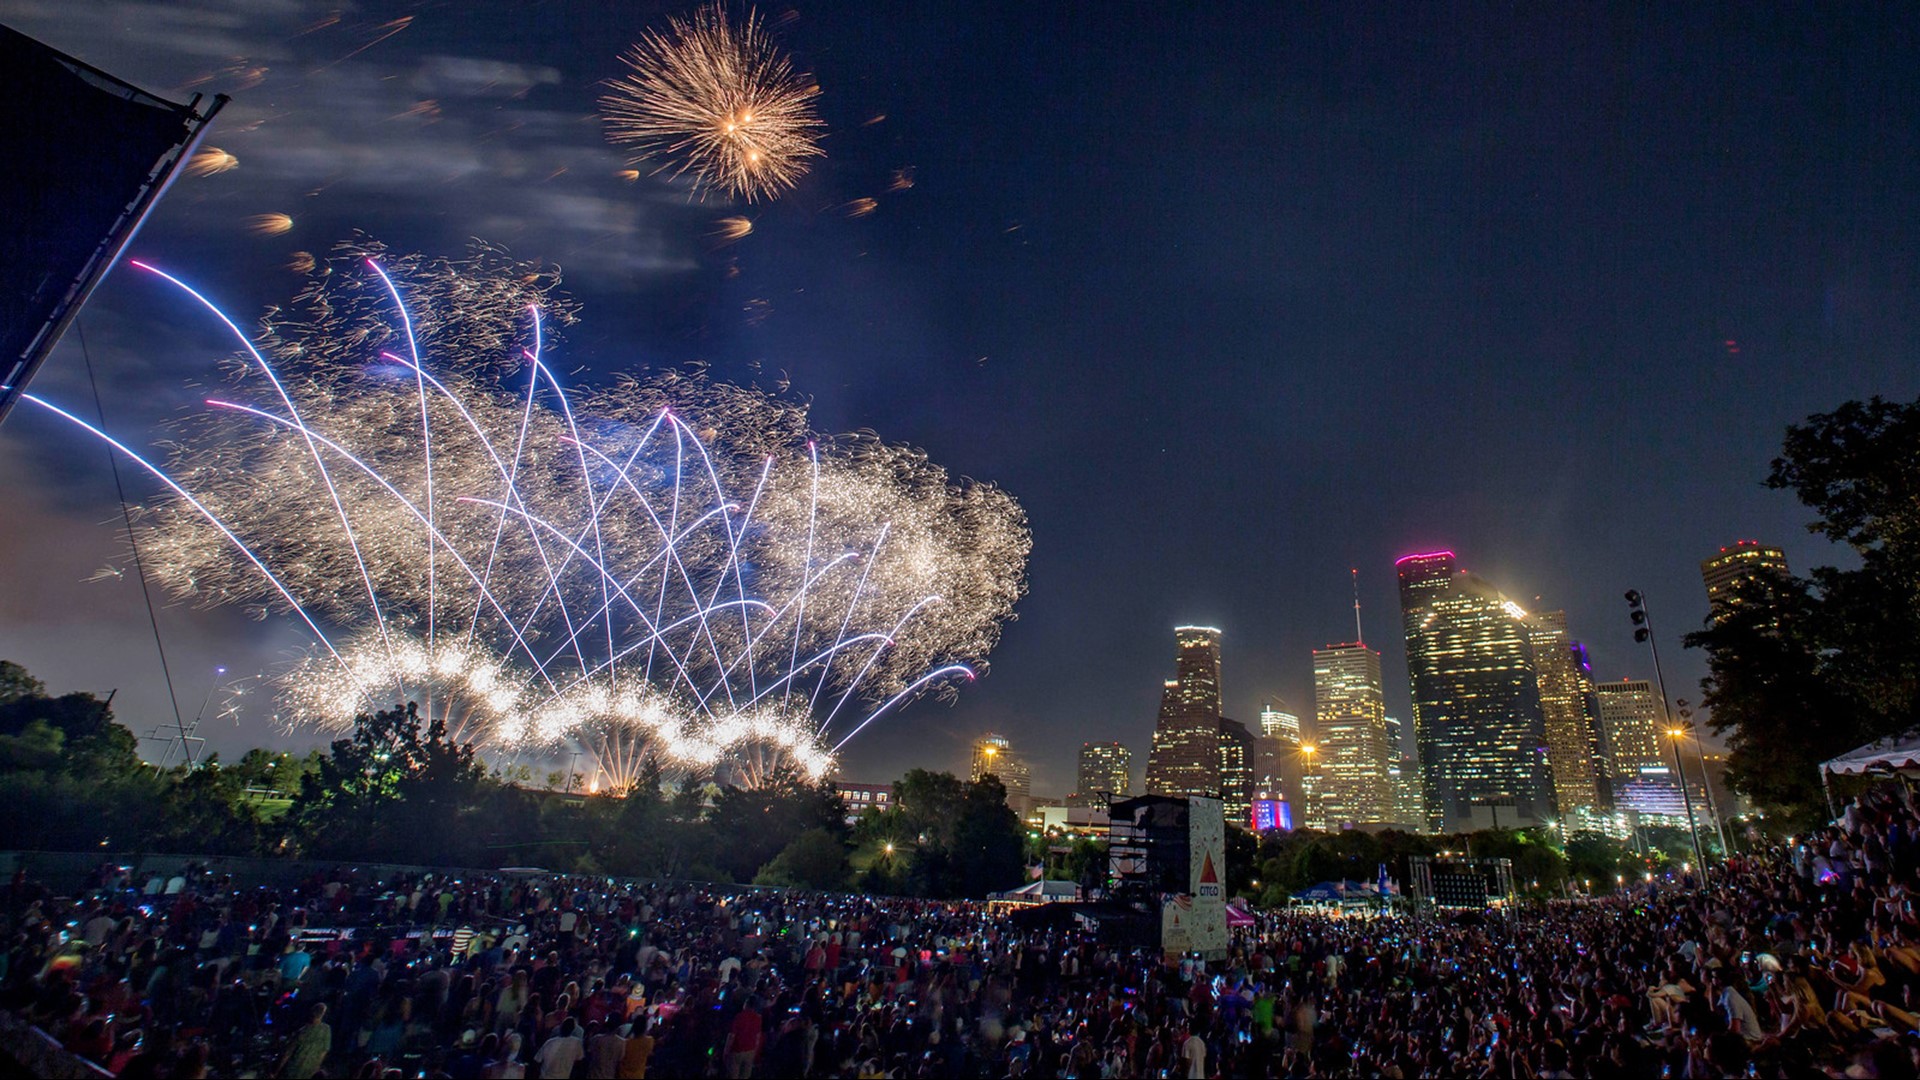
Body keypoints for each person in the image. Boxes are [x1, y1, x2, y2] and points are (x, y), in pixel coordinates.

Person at [277, 1003, 332, 1080]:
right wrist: (317, 1065)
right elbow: (324, 1050)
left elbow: (288, 1053)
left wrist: (277, 1071)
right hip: (308, 1069)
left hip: (293, 1068)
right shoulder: (326, 1029)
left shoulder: (302, 1030)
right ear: (323, 1014)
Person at [724, 997, 764, 1079]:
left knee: (733, 1075)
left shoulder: (739, 1017)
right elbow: (758, 1037)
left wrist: (726, 1050)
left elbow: (732, 1036)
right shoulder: (758, 1018)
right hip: (750, 1050)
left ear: (746, 1004)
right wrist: (755, 1052)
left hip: (737, 1050)